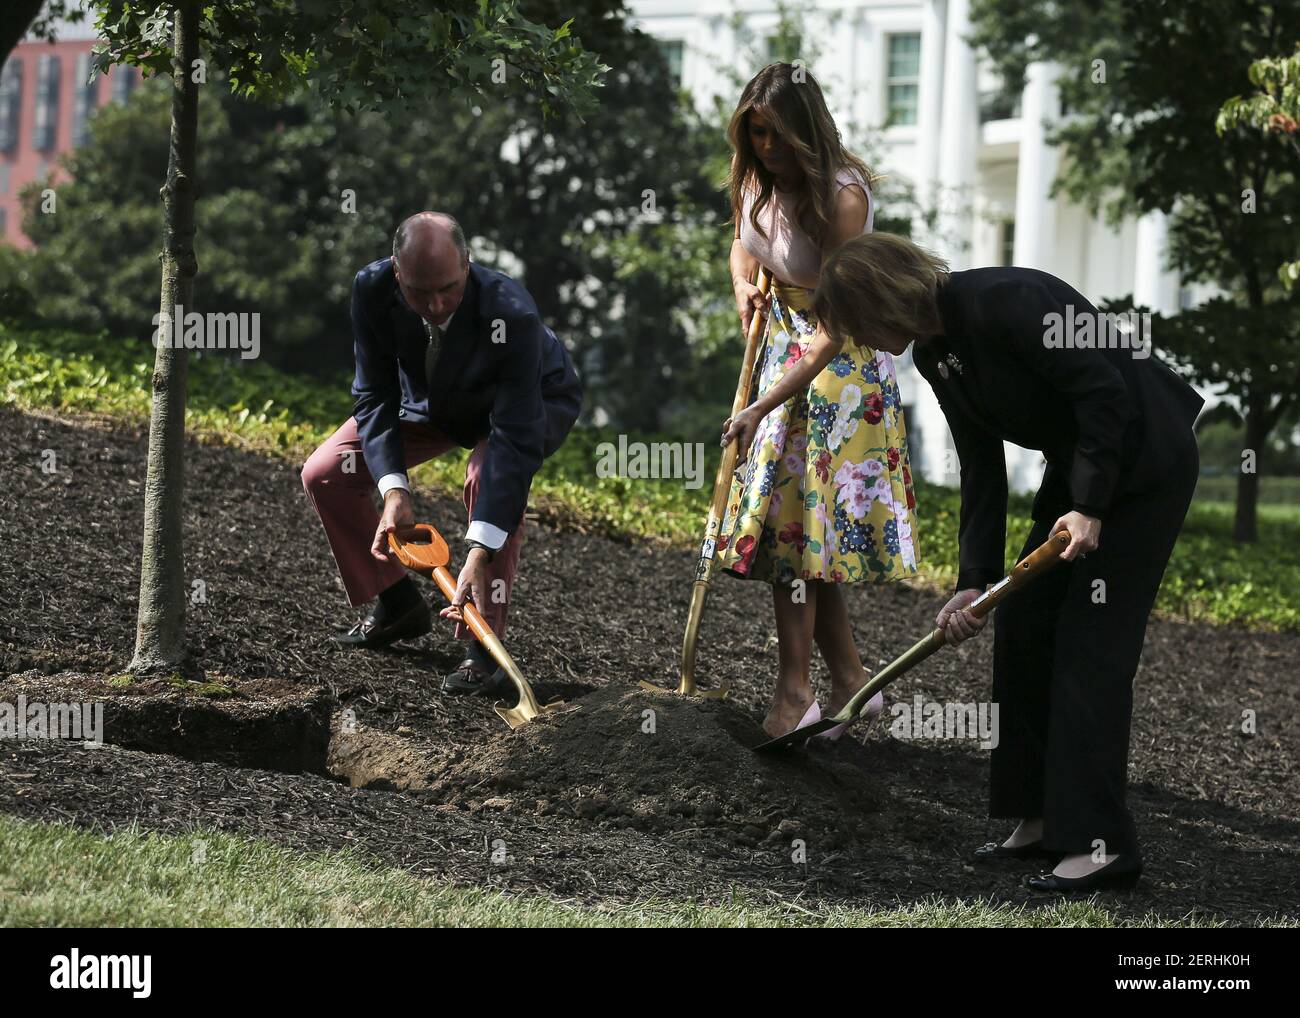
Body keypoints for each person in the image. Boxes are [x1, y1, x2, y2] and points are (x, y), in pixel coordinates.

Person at [800, 230, 1204, 894]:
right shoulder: (936, 354)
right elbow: (981, 465)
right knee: (1022, 624)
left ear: (886, 294)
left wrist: (1091, 505)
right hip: (1082, 466)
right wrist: (975, 583)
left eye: (861, 325)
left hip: (1142, 457)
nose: (864, 342)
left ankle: (1101, 847)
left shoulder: (1006, 301)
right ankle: (1040, 820)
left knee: (1089, 644)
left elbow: (1106, 391)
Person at [717, 64, 921, 742]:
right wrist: (744, 284)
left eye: (775, 136)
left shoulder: (843, 199)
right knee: (807, 539)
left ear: (803, 131)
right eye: (755, 136)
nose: (766, 149)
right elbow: (742, 245)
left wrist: (758, 408)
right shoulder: (755, 180)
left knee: (795, 541)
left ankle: (794, 692)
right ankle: (853, 683)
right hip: (781, 351)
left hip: (838, 377)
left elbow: (836, 326)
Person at [302, 212, 582, 696]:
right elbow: (374, 394)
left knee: (485, 473)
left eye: (448, 290)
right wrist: (393, 487)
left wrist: (478, 550)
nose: (434, 304)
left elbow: (513, 443)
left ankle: (484, 646)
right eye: (419, 292)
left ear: (468, 266)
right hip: (430, 402)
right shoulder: (371, 289)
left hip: (528, 400)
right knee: (326, 471)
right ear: (396, 272)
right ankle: (397, 604)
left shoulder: (510, 313)